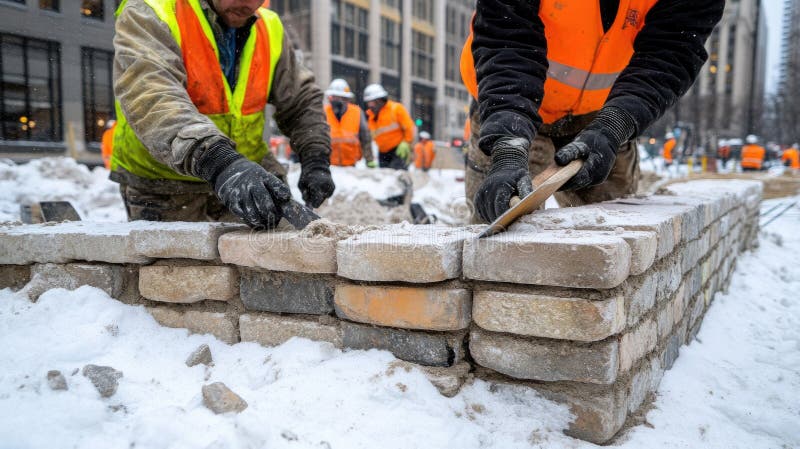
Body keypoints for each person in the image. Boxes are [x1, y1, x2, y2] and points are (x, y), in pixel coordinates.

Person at [460, 0, 724, 222]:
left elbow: (671, 51)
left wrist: (614, 125)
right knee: (496, 217)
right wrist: (507, 144)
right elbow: (507, 36)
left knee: (614, 226)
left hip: (602, 113)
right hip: (508, 103)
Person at [109, 0, 334, 228]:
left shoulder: (270, 27)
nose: (247, 2)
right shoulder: (151, 10)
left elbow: (300, 99)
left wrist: (315, 155)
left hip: (247, 180)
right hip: (165, 187)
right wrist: (219, 160)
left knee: (280, 248)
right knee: (177, 253)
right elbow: (154, 97)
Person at [324, 79, 375, 168]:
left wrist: (369, 160)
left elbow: (365, 138)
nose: (333, 100)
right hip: (328, 165)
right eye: (332, 97)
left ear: (346, 98)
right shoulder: (324, 112)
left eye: (339, 97)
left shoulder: (356, 112)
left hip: (350, 165)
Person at [363, 84, 415, 170]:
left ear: (379, 100)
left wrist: (406, 142)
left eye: (371, 102)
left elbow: (409, 127)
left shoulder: (396, 108)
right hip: (382, 153)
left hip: (398, 150)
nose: (369, 105)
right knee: (385, 176)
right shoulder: (371, 116)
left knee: (397, 175)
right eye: (368, 102)